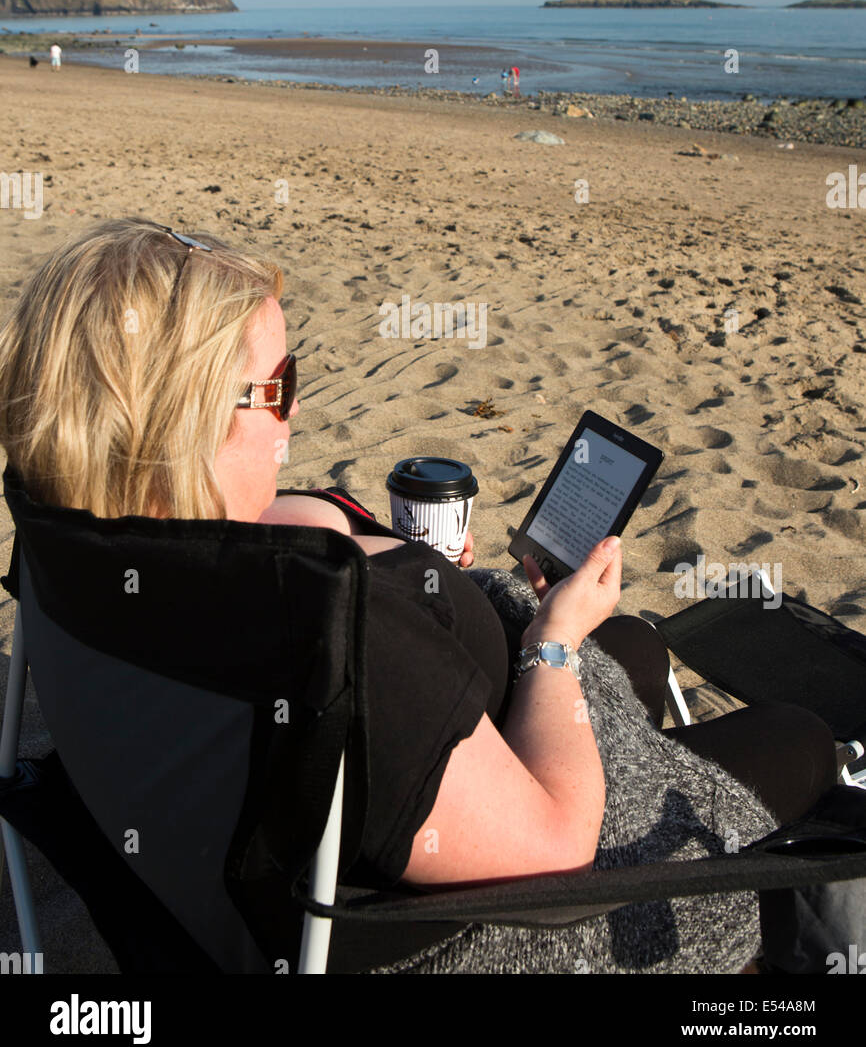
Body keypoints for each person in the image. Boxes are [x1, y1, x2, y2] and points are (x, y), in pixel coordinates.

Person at [0, 218, 838, 974]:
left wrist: (368, 542)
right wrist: (552, 641)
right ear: (187, 418)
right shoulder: (323, 628)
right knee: (799, 736)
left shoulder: (78, 544)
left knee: (642, 651)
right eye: (279, 388)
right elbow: (553, 847)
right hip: (496, 920)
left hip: (331, 803)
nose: (291, 427)